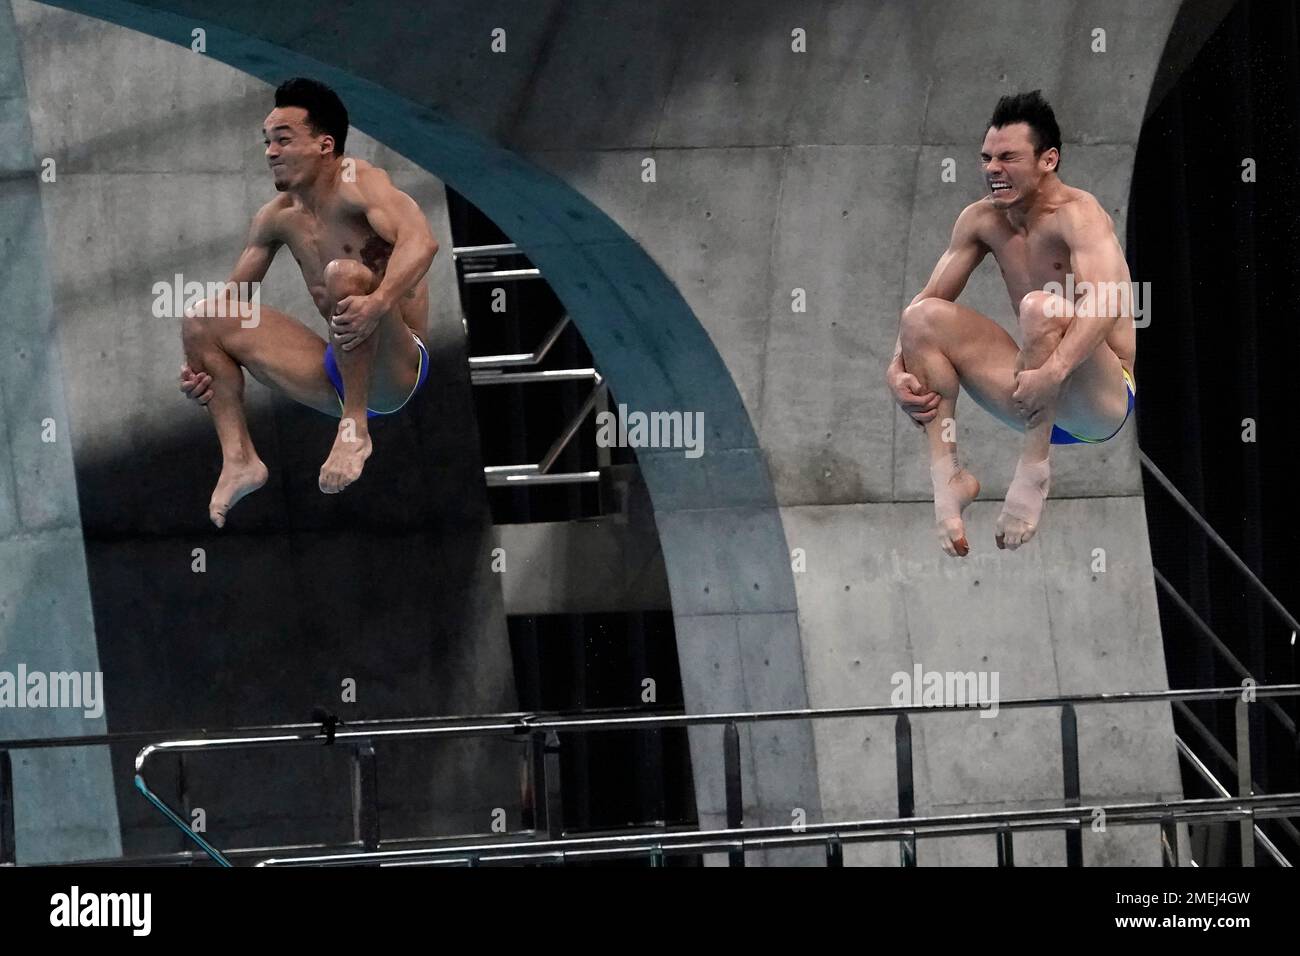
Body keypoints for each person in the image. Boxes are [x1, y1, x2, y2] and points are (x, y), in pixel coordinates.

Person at [178, 77, 437, 527]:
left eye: (283, 139)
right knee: (203, 319)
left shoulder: (364, 185)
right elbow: (231, 302)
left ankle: (354, 429)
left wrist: (378, 303)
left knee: (346, 274)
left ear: (324, 144)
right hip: (338, 368)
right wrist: (202, 369)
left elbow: (424, 243)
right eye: (267, 142)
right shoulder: (277, 217)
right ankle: (240, 459)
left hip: (397, 367)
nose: (270, 152)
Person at [887, 90, 1137, 557]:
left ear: (1048, 159)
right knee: (919, 319)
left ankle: (1033, 472)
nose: (992, 169)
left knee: (1042, 307)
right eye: (986, 158)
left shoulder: (1079, 215)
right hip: (1028, 391)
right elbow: (929, 297)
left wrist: (1055, 371)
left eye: (1008, 157)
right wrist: (894, 368)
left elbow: (1105, 301)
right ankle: (949, 478)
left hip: (1096, 400)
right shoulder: (980, 219)